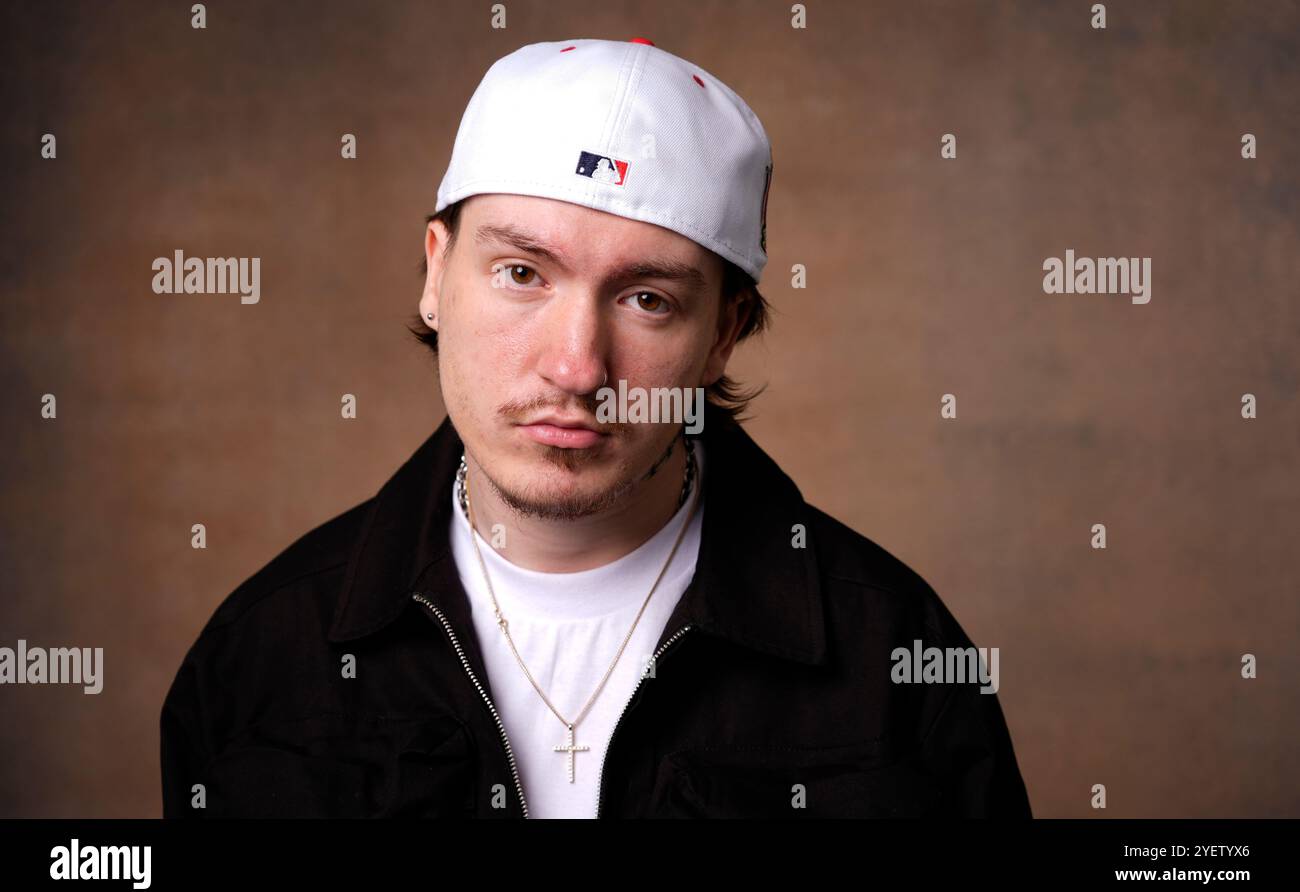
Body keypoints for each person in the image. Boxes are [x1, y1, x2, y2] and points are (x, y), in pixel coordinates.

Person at [160, 36, 1032, 819]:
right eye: (521, 272)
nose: (578, 368)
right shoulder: (265, 650)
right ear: (436, 273)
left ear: (724, 333)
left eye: (647, 299)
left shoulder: (898, 657)